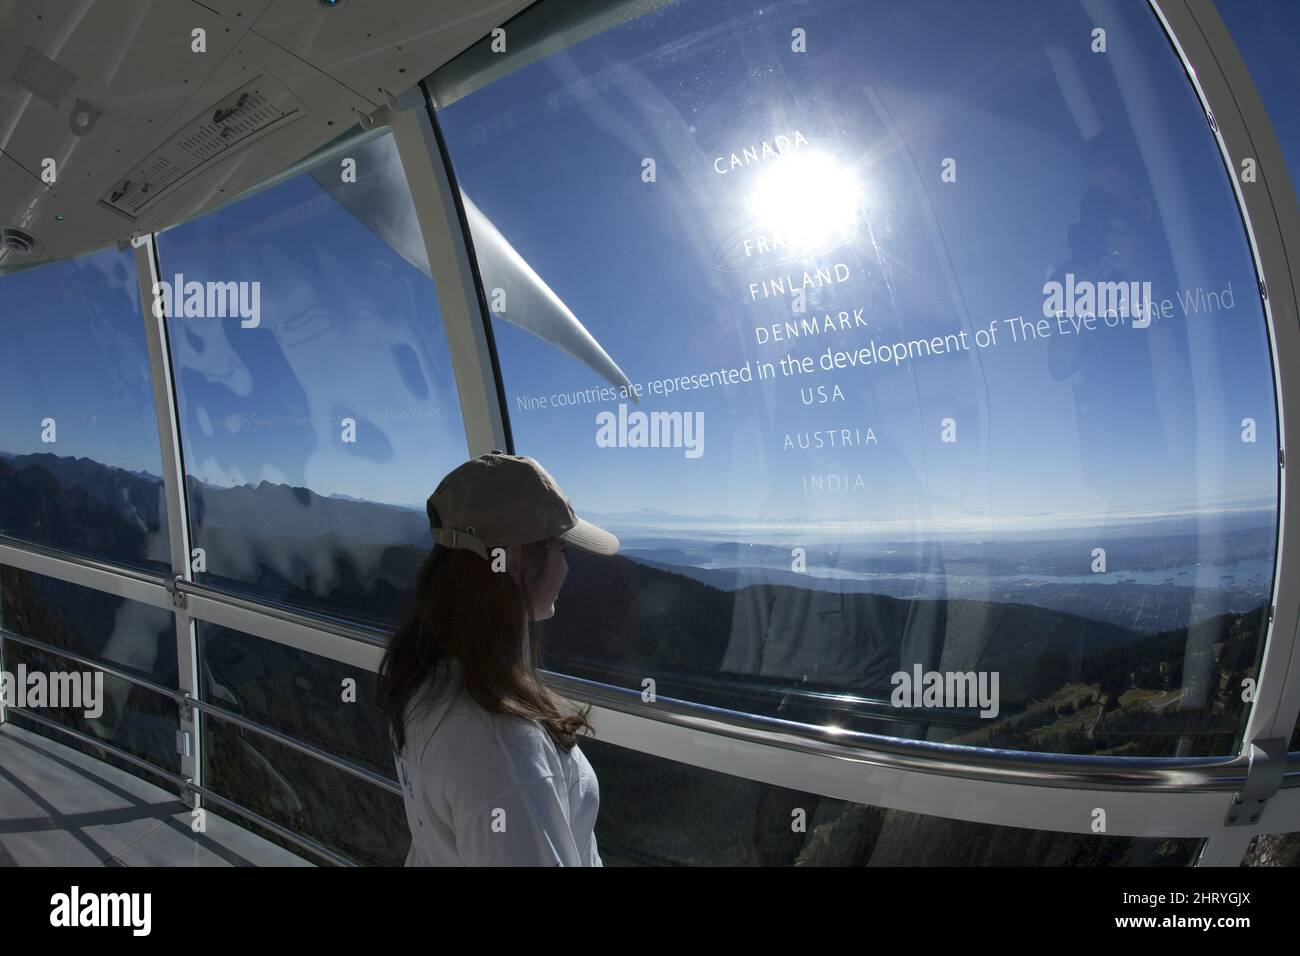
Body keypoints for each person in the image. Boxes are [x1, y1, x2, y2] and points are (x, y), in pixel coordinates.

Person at [377, 450, 620, 866]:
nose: (566, 567)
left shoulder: (425, 679)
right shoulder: (503, 751)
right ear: (515, 560)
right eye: (561, 548)